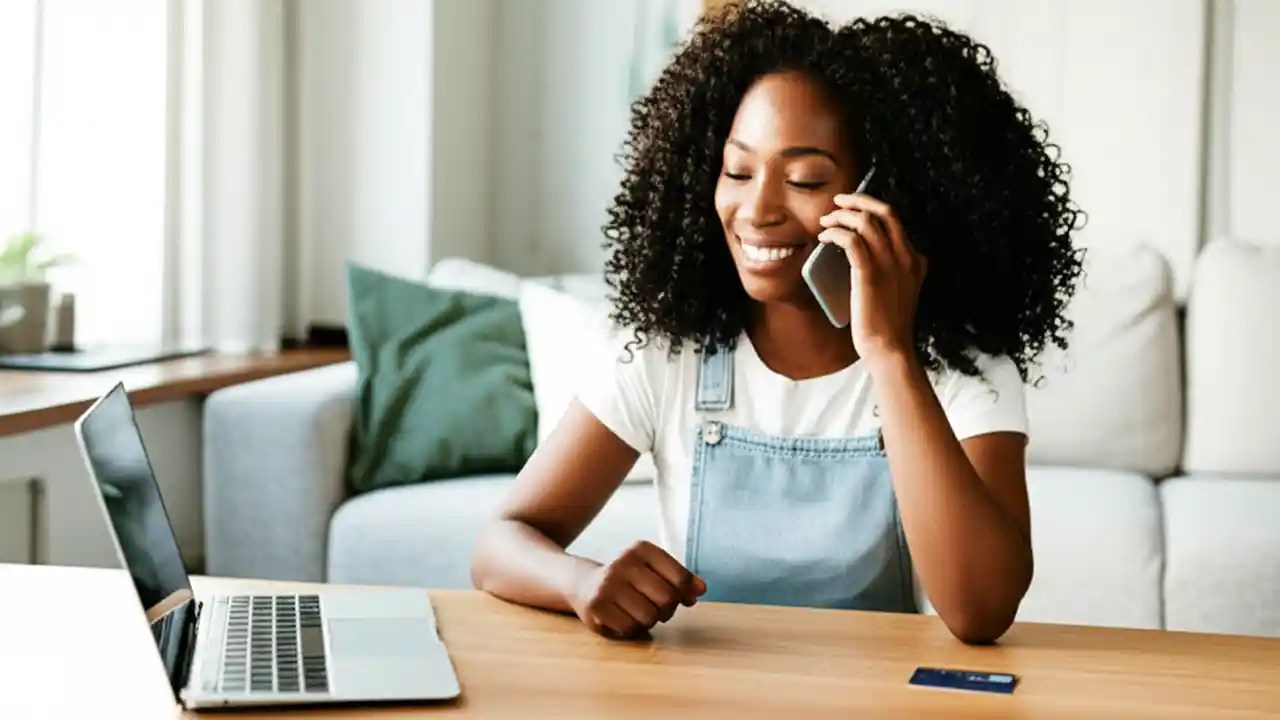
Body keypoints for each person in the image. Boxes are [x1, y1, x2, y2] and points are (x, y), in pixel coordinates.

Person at [471, 0, 1084, 645]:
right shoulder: (666, 353)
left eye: (804, 178)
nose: (756, 208)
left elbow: (981, 610)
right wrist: (581, 584)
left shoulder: (962, 367)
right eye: (737, 171)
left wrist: (889, 353)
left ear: (891, 194)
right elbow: (500, 543)